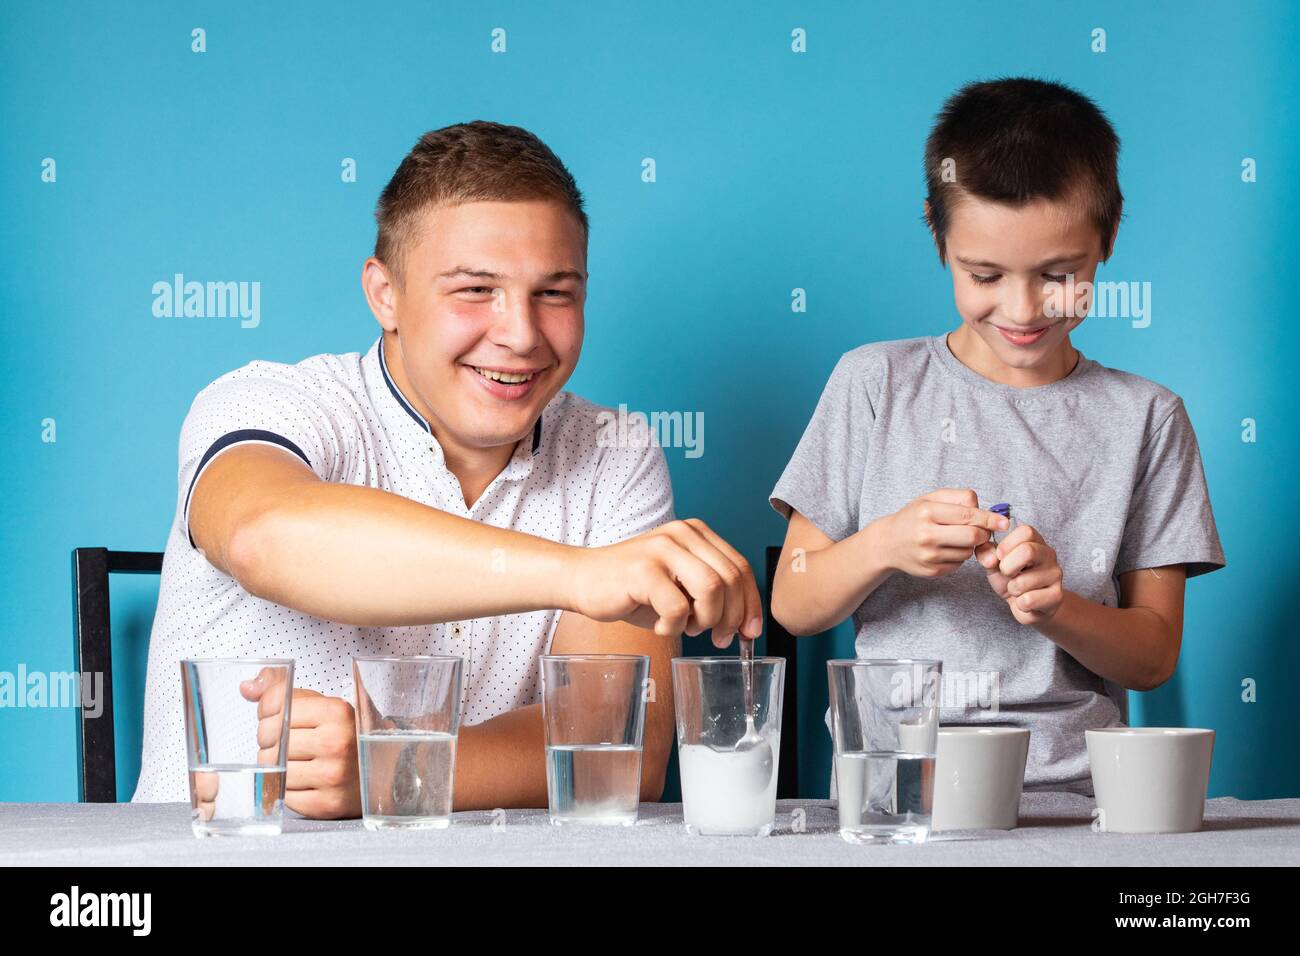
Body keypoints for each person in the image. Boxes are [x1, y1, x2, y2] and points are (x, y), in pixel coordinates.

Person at [134, 121, 762, 815]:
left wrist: (396, 770)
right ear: (385, 294)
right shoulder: (267, 401)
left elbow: (612, 750)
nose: (520, 334)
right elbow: (263, 537)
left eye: (555, 293)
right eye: (475, 290)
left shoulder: (616, 450)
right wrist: (581, 574)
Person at [769, 78, 1226, 794]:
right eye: (984, 275)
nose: (1022, 309)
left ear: (1108, 237)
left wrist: (1058, 607)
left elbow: (1152, 657)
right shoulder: (874, 384)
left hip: (1074, 798)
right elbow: (794, 603)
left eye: (1058, 275)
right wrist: (884, 544)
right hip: (897, 797)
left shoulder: (1148, 419)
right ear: (937, 235)